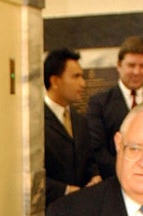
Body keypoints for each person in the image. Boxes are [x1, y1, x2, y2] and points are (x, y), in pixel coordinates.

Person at [86, 36, 143, 181]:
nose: (137, 72)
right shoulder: (99, 103)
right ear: (119, 65)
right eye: (131, 65)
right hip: (113, 181)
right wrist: (129, 172)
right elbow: (97, 149)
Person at [43, 47, 99, 205]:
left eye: (82, 76)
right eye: (76, 77)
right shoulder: (36, 122)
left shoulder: (80, 120)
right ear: (55, 81)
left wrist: (95, 176)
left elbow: (89, 159)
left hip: (80, 207)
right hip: (51, 209)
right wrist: (66, 190)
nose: (83, 83)